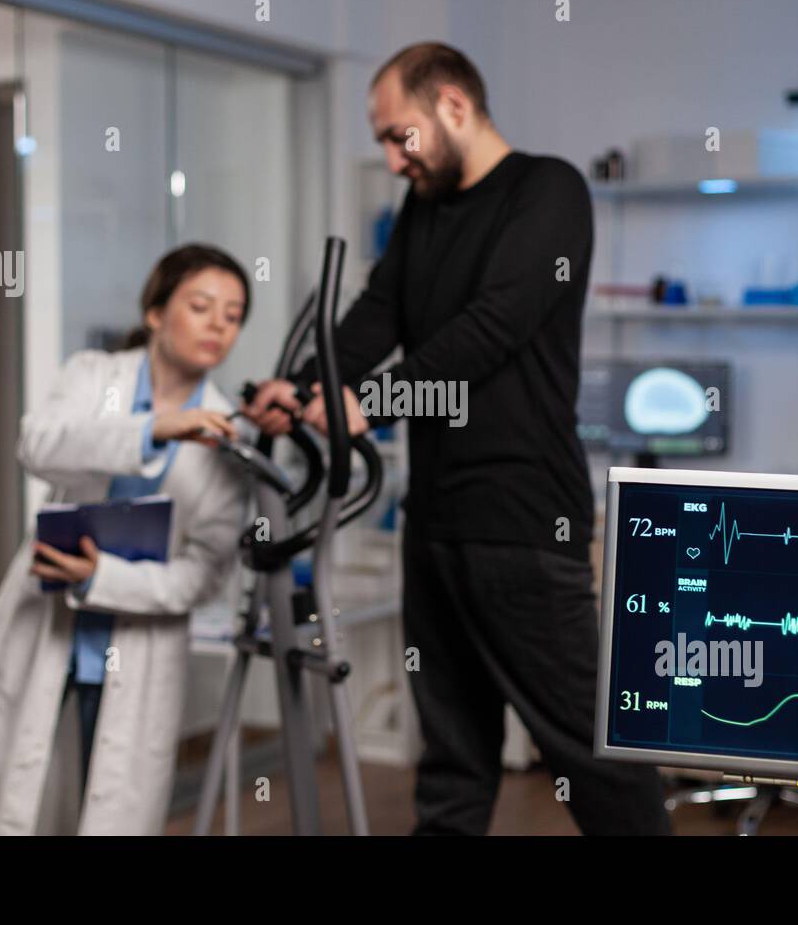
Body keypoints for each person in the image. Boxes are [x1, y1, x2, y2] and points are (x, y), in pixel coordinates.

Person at [246, 43, 670, 835]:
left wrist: (370, 401)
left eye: (395, 134)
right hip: (434, 522)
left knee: (589, 750)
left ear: (452, 104)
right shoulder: (426, 207)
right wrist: (304, 387)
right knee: (451, 756)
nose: (389, 157)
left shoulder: (549, 191)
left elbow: (493, 328)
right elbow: (379, 311)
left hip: (523, 523)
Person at [0, 244, 252, 835]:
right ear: (156, 313)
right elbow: (39, 445)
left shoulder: (228, 436)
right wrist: (151, 430)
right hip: (42, 624)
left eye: (234, 314)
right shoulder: (94, 377)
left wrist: (102, 579)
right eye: (201, 305)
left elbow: (205, 573)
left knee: (103, 803)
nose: (219, 323)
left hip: (133, 644)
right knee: (10, 795)